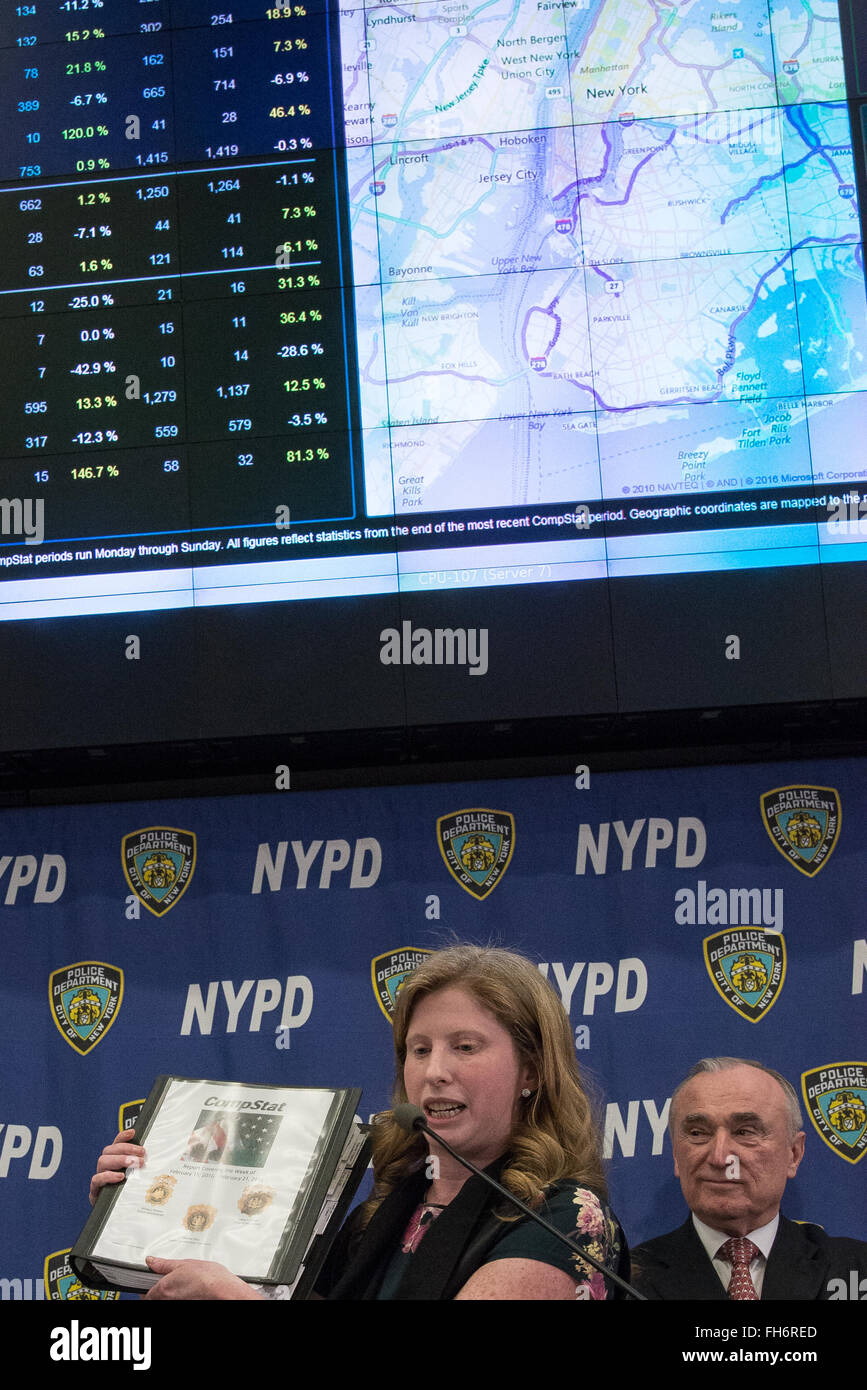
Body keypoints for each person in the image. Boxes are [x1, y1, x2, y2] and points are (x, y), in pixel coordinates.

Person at [89, 944, 630, 1300]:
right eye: (419, 1050)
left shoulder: (563, 1218)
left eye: (465, 1047)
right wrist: (141, 1212)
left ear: (531, 1069)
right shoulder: (379, 1215)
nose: (434, 1072)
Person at [631, 1056, 867, 1300]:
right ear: (676, 1155)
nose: (720, 1158)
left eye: (744, 1132)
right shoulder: (627, 1280)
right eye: (698, 1133)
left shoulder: (857, 1272)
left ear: (794, 1154)